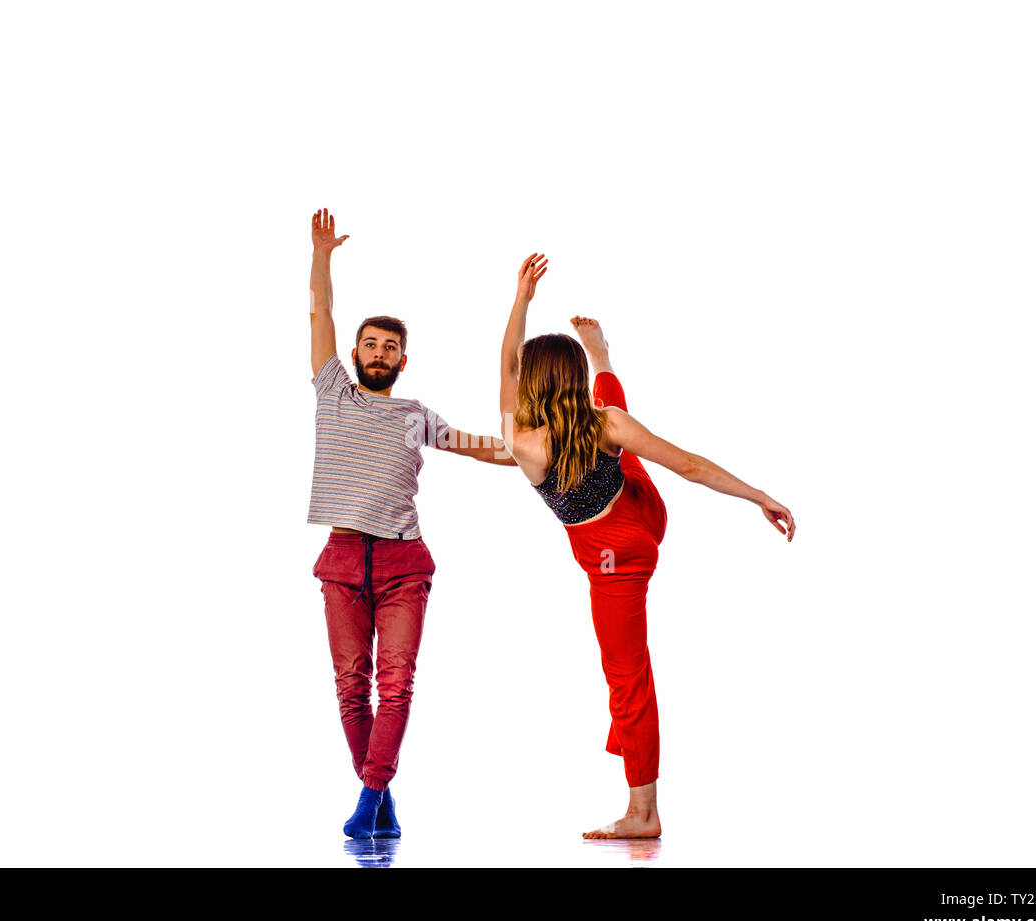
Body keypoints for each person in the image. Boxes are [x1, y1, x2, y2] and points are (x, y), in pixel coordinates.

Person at [498, 252, 796, 839]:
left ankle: (644, 812)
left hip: (617, 561)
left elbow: (504, 363)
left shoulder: (521, 442)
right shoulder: (603, 421)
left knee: (627, 675)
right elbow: (686, 464)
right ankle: (602, 354)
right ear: (573, 380)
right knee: (622, 435)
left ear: (530, 383)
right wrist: (758, 494)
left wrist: (520, 300)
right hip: (646, 511)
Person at [307, 208, 518, 840]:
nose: (378, 353)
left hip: (403, 562)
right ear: (354, 354)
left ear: (403, 359)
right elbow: (319, 315)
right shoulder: (333, 393)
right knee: (352, 687)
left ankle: (370, 797)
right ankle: (379, 792)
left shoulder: (414, 414)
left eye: (389, 347)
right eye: (369, 344)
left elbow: (483, 447)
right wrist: (322, 256)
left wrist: (535, 450)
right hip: (343, 559)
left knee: (396, 683)